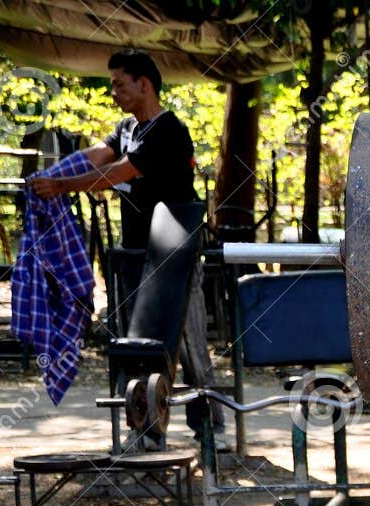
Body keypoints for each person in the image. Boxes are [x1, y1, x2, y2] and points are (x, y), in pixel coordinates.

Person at [27, 48, 223, 447]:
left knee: (190, 347)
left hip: (176, 254)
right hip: (135, 254)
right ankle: (148, 429)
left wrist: (62, 187)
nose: (113, 91)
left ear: (143, 84)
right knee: (142, 344)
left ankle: (211, 430)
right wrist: (55, 172)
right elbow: (99, 155)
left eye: (119, 84)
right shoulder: (127, 127)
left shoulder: (169, 130)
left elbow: (119, 172)